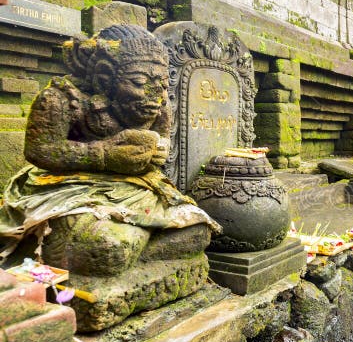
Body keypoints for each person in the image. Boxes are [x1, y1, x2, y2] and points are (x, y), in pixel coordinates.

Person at [0, 25, 218, 276]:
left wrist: (158, 151)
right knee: (107, 246)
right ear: (105, 77)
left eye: (162, 83)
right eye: (139, 82)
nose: (155, 95)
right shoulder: (61, 99)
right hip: (72, 189)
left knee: (199, 232)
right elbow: (40, 149)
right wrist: (103, 155)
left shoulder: (159, 101)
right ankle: (117, 254)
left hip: (135, 187)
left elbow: (162, 140)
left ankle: (129, 255)